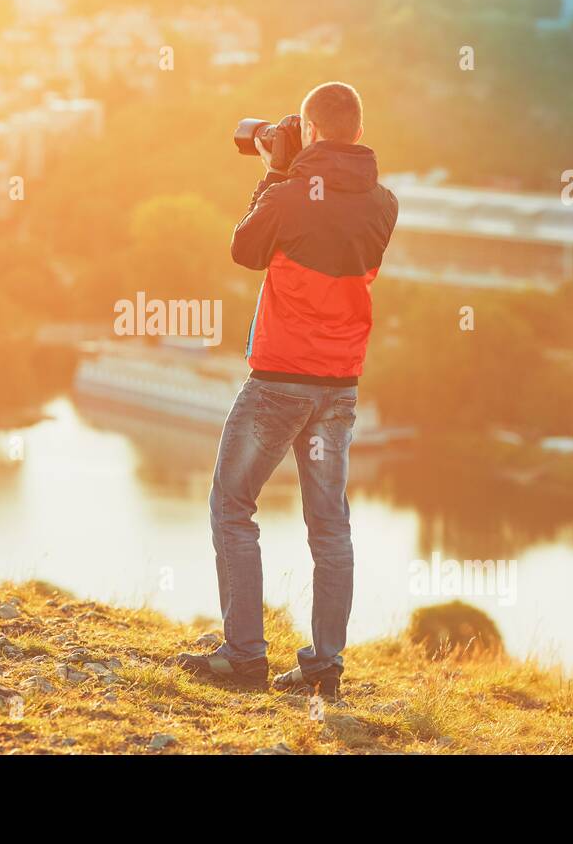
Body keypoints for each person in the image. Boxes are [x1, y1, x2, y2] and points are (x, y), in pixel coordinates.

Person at [175, 82, 399, 700]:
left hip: (279, 381)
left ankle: (244, 656)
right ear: (357, 130)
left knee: (231, 506)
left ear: (308, 129)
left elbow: (244, 249)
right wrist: (293, 169)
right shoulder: (384, 203)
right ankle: (323, 669)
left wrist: (276, 171)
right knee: (330, 528)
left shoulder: (291, 194)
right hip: (340, 388)